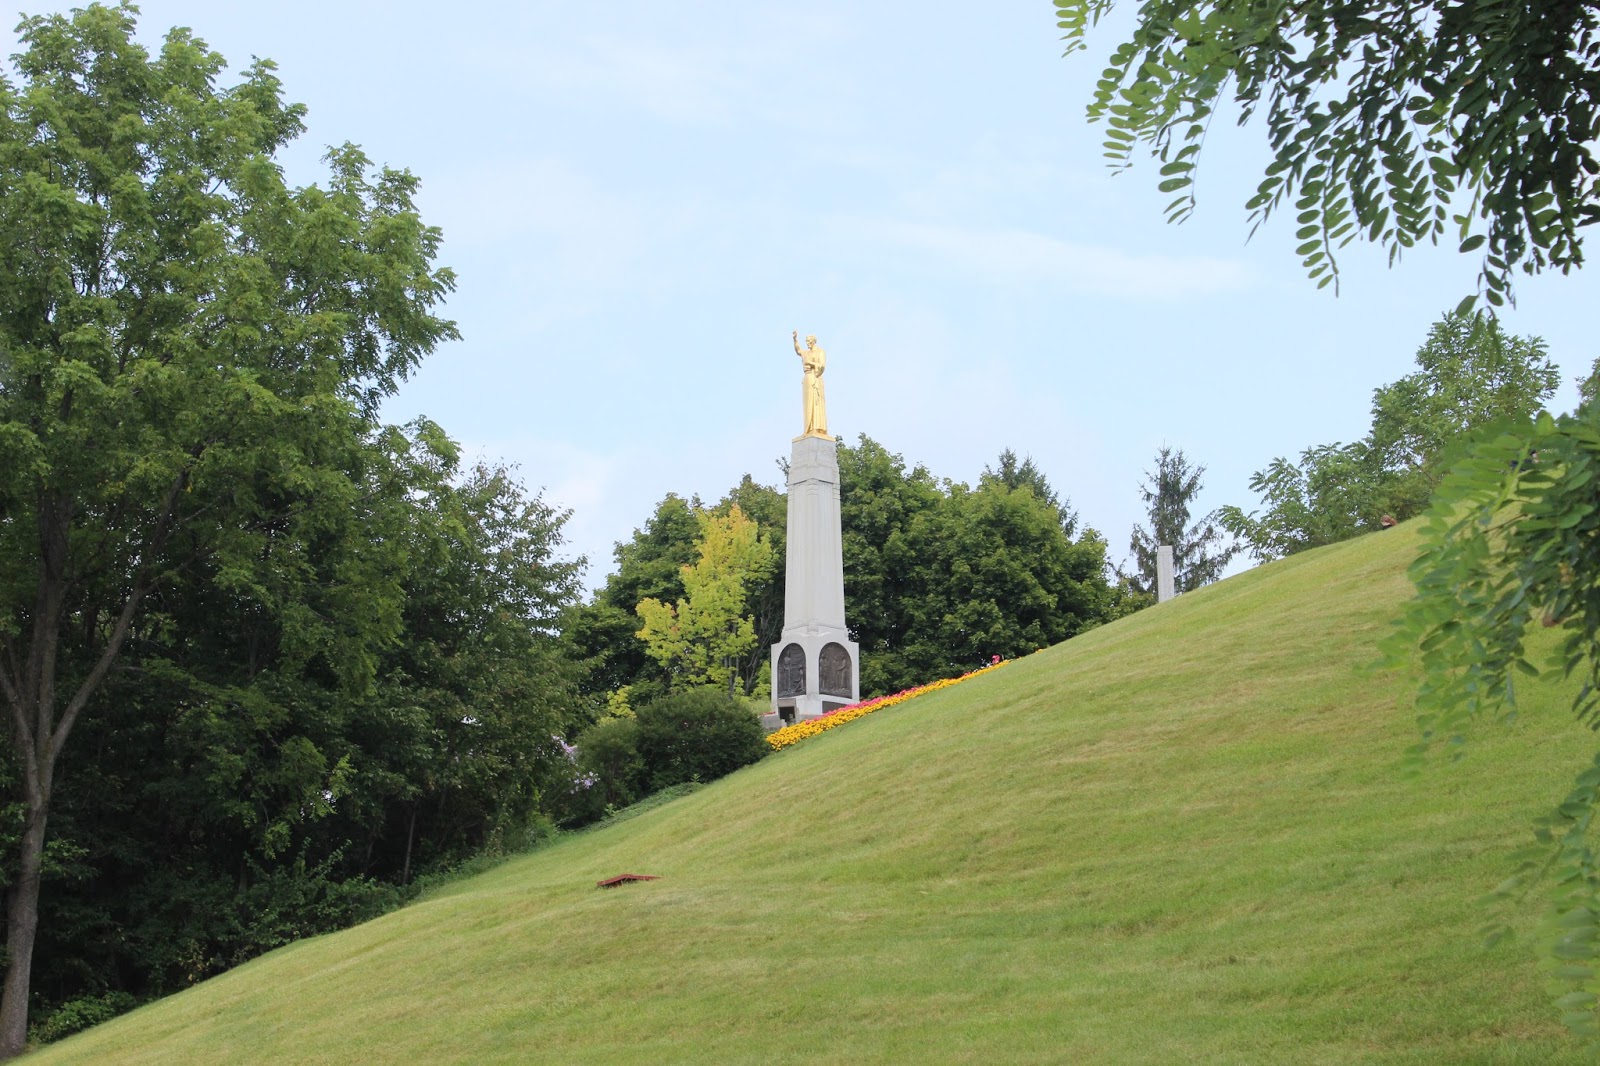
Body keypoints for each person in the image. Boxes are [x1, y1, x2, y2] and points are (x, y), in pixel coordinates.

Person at [793, 330, 829, 438]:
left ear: (813, 341)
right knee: (807, 404)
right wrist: (795, 339)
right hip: (807, 378)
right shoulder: (806, 353)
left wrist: (810, 363)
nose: (807, 343)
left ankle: (816, 427)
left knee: (816, 403)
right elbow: (798, 350)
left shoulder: (820, 352)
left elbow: (822, 365)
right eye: (806, 341)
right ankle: (808, 428)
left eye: (809, 341)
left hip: (816, 377)